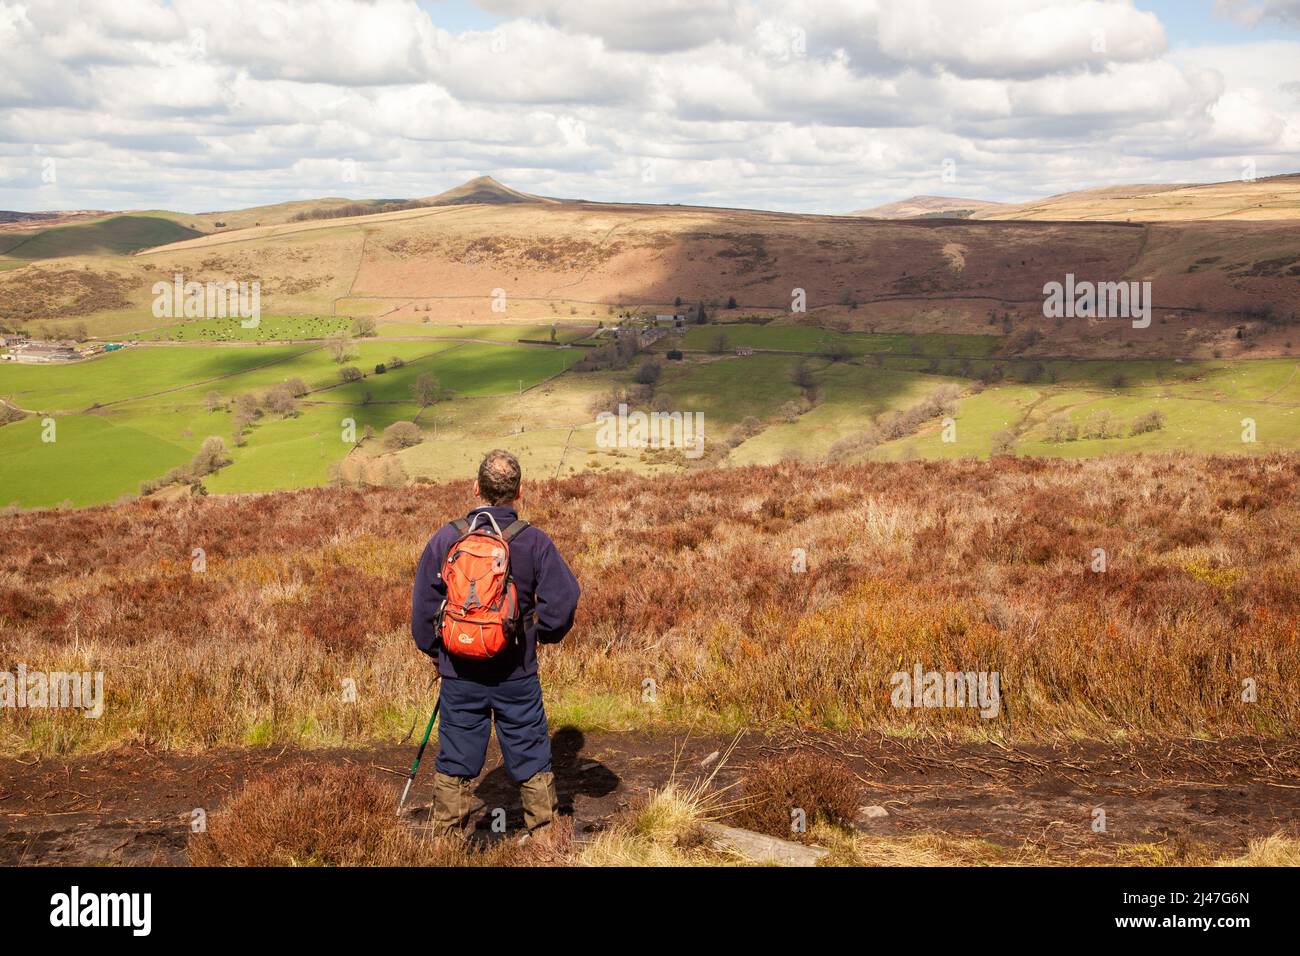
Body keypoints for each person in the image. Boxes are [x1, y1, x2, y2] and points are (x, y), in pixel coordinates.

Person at [411, 448, 580, 839]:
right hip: (515, 673)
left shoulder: (447, 538)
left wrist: (441, 654)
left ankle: (444, 846)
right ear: (520, 492)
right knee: (531, 753)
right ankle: (544, 843)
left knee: (454, 758)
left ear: (475, 488)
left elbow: (423, 610)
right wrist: (540, 636)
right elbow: (565, 598)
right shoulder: (533, 542)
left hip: (459, 672)